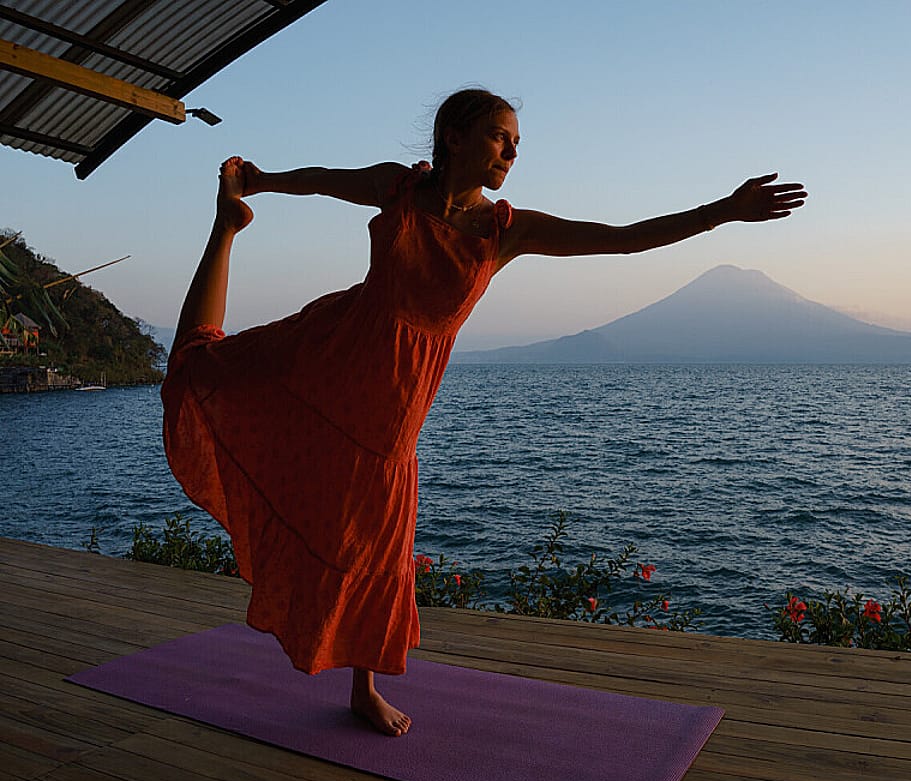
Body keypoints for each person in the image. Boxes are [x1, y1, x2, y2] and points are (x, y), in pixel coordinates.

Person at [162, 88, 806, 736]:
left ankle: (364, 685)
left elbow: (623, 241)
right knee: (204, 367)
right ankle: (225, 228)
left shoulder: (505, 231)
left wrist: (722, 211)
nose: (513, 152)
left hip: (391, 420)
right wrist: (259, 183)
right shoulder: (400, 191)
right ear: (454, 136)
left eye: (518, 143)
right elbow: (326, 181)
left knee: (378, 548)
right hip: (326, 356)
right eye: (503, 137)